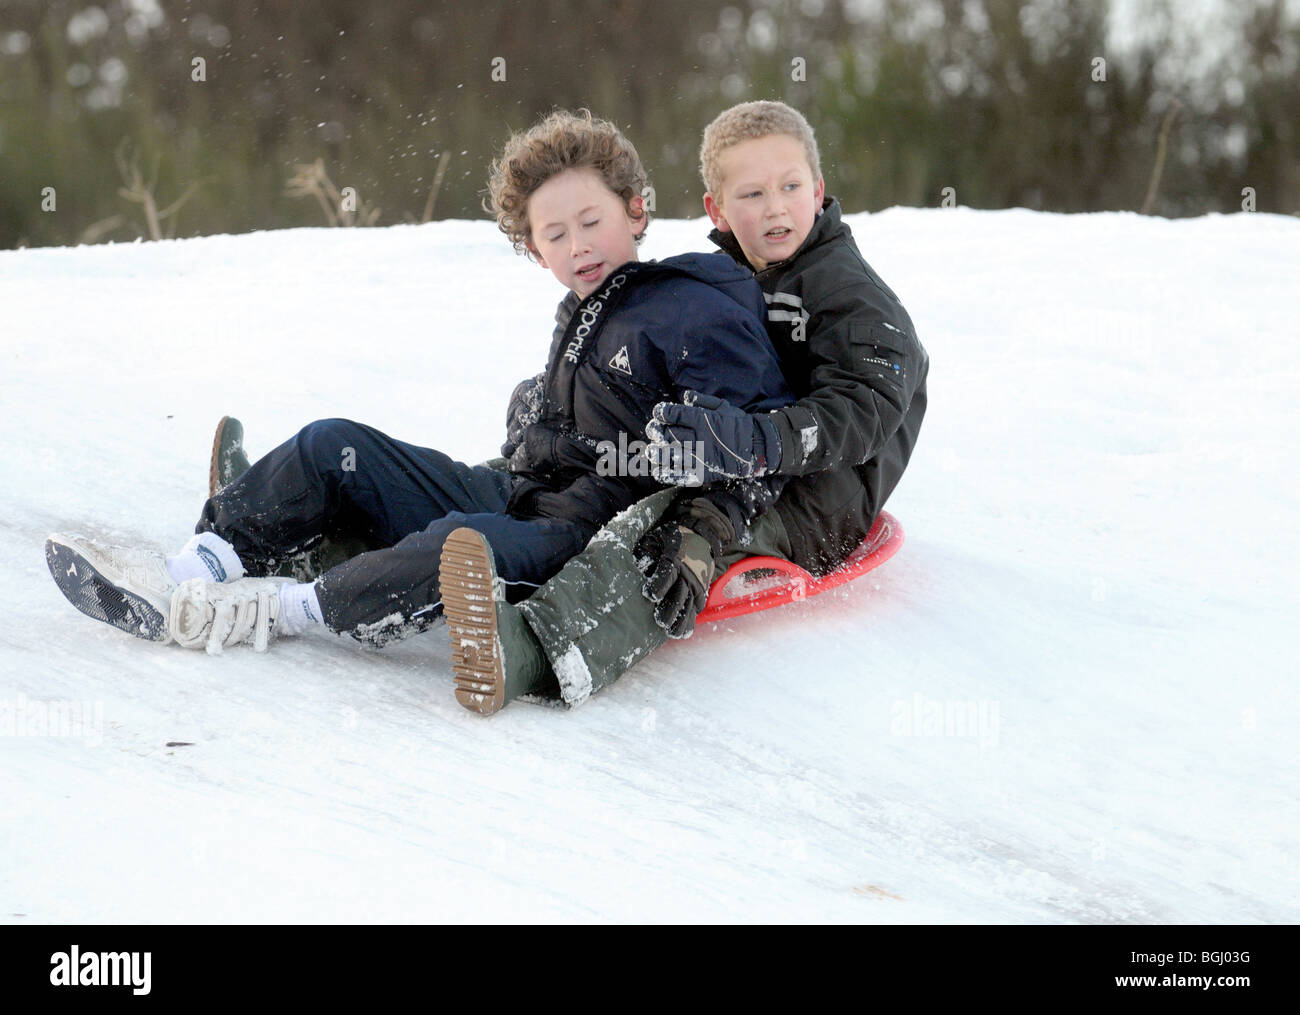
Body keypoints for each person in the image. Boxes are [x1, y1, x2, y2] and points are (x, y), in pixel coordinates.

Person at [45, 108, 793, 716]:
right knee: (333, 444)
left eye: (592, 221)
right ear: (533, 250)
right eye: (554, 235)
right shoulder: (585, 308)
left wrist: (706, 530)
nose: (578, 246)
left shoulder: (697, 301)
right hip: (518, 491)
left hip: (574, 531)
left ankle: (272, 610)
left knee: (455, 544)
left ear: (636, 211)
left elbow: (752, 435)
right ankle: (197, 566)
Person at [447, 100, 929, 710]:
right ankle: (406, 547)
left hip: (812, 501)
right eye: (751, 194)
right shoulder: (720, 278)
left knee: (663, 541)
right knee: (566, 473)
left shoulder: (856, 301)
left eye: (790, 187)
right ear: (718, 210)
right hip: (726, 467)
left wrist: (749, 443)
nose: (775, 207)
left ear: (818, 189)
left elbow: (860, 419)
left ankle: (535, 648)